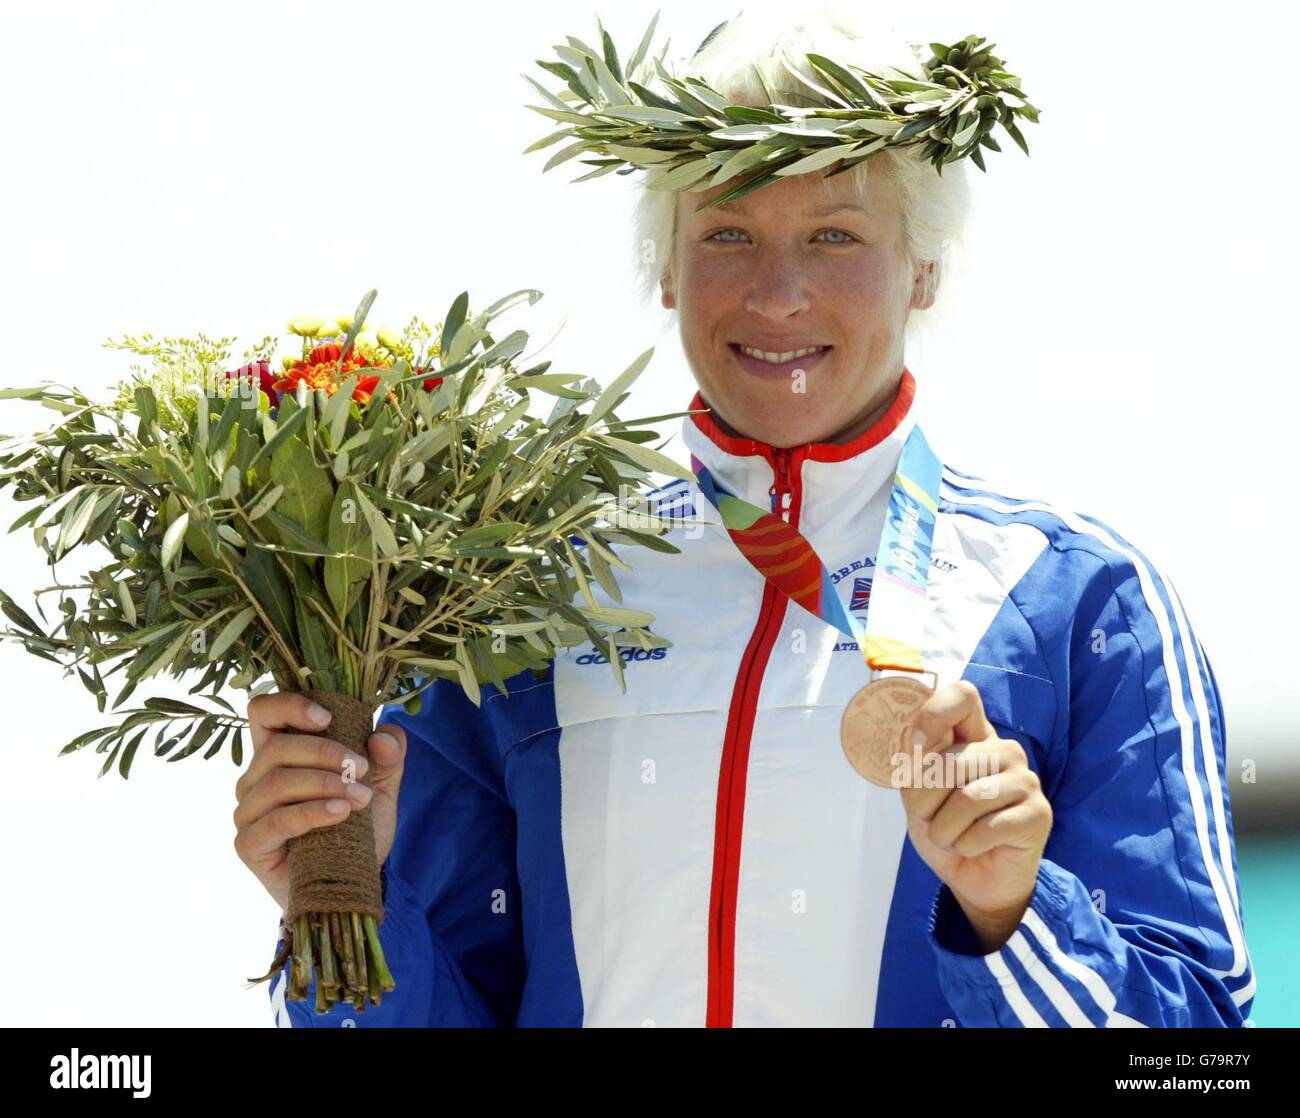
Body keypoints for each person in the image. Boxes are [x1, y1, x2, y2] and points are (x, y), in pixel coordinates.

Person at [235, 5, 1255, 1027]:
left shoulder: (1079, 603)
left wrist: (1012, 914)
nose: (777, 292)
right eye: (726, 231)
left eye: (836, 235)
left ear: (925, 265)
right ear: (666, 267)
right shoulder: (520, 596)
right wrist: (344, 899)